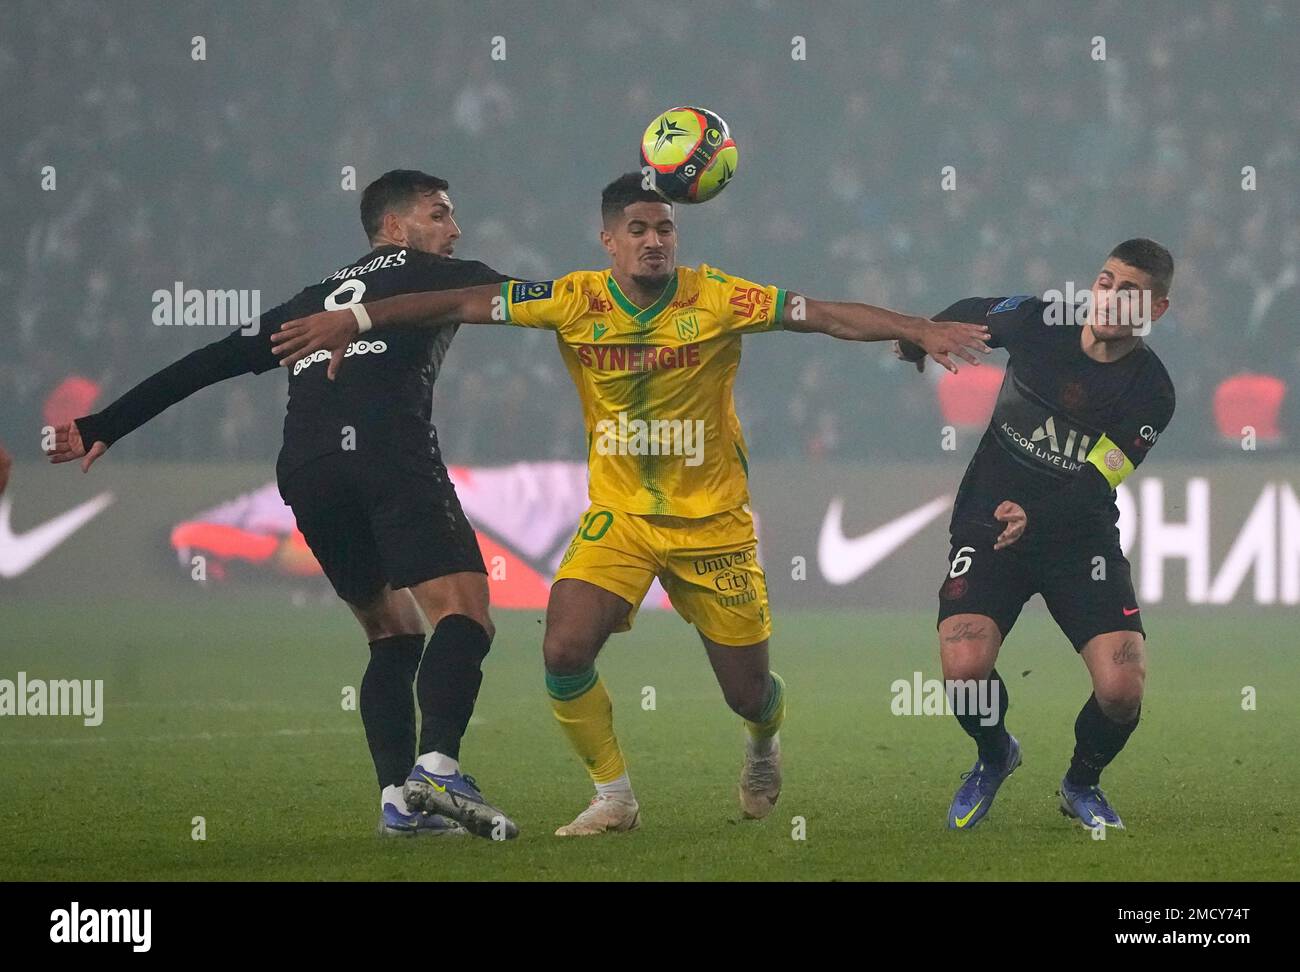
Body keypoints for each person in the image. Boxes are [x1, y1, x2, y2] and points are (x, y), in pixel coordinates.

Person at [271, 172, 991, 836]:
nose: (654, 242)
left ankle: (764, 744)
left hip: (715, 526)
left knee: (747, 694)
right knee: (563, 647)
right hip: (622, 520)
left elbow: (825, 316)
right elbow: (456, 300)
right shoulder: (571, 299)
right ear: (609, 241)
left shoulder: (719, 298)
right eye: (639, 231)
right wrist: (358, 320)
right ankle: (614, 795)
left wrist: (915, 327)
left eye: (665, 230)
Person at [47, 170, 518, 839]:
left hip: (307, 469)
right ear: (394, 227)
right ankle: (437, 767)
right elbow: (537, 303)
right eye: (439, 214)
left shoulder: (316, 296)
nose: (455, 229)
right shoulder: (441, 274)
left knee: (391, 633)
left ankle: (396, 802)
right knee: (466, 612)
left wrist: (106, 424)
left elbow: (211, 361)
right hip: (391, 452)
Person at [895, 238, 1176, 831]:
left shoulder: (1152, 392)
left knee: (1123, 685)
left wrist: (1038, 516)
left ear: (1157, 311)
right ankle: (995, 754)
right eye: (1105, 281)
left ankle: (1081, 783)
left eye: (1131, 293)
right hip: (988, 522)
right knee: (964, 668)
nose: (1111, 299)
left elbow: (1100, 479)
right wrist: (920, 336)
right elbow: (973, 310)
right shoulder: (1039, 321)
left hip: (1080, 539)